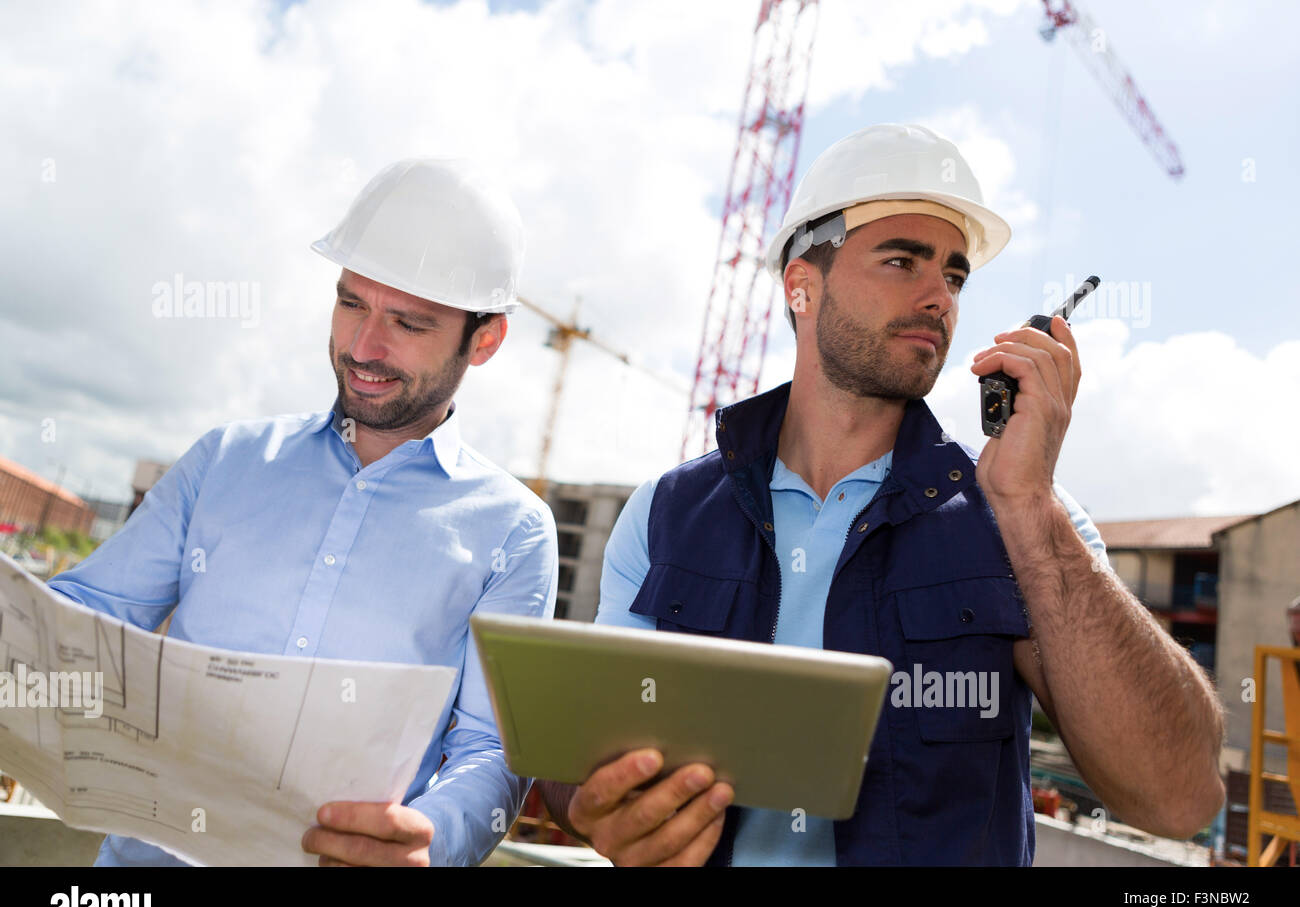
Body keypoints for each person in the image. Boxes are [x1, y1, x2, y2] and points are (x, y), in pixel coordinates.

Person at [539, 123, 1224, 866]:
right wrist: (595, 809)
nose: (939, 298)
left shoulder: (1026, 521)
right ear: (802, 284)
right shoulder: (666, 513)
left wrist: (1029, 508)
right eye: (903, 262)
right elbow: (581, 757)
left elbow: (1178, 797)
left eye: (955, 278)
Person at [48, 158, 558, 867]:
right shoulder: (225, 461)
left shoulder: (513, 530)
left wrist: (426, 843)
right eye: (352, 304)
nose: (363, 347)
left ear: (485, 340)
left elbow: (489, 748)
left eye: (408, 322)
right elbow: (81, 617)